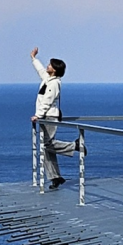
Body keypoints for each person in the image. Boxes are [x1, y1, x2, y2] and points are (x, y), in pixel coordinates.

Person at [30, 46, 83, 190]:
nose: (47, 66)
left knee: (46, 145)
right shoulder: (49, 80)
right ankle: (55, 177)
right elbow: (41, 71)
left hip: (49, 117)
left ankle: (75, 146)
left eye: (50, 65)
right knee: (47, 148)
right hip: (46, 116)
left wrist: (38, 115)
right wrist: (34, 59)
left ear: (54, 69)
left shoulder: (54, 84)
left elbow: (47, 99)